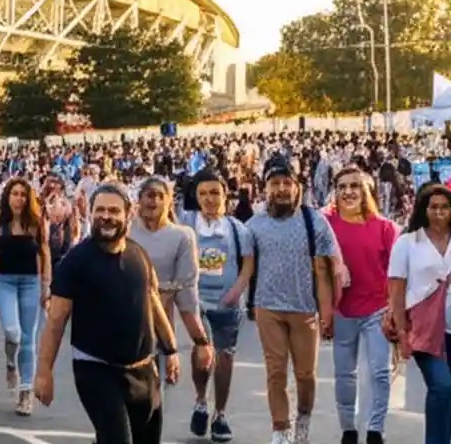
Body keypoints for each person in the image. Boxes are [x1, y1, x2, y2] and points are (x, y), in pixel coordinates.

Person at [36, 183, 180, 444]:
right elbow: (56, 321)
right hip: (96, 370)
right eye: (100, 210)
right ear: (90, 214)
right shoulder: (75, 262)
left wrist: (171, 350)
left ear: (129, 214)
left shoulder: (139, 255)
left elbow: (154, 301)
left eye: (114, 211)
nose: (106, 216)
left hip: (143, 371)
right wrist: (44, 372)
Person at [247, 157, 337, 444]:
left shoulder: (315, 222)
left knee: (306, 375)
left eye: (287, 183)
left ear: (298, 187)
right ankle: (280, 430)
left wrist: (326, 313)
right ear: (265, 188)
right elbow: (243, 266)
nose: (282, 189)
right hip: (267, 307)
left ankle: (303, 419)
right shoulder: (253, 225)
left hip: (304, 309)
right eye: (275, 184)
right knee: (275, 371)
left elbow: (324, 270)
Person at [127, 176, 214, 426]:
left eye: (159, 196)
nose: (153, 201)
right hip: (124, 321)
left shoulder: (182, 236)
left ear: (168, 202)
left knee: (154, 396)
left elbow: (186, 288)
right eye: (148, 195)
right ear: (139, 200)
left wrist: (200, 340)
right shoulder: (128, 230)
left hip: (161, 327)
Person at [178, 170, 253, 442]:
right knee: (203, 354)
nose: (209, 199)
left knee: (225, 356)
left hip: (228, 304)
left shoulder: (237, 229)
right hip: (197, 302)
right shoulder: (187, 224)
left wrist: (238, 289)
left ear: (225, 195)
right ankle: (201, 400)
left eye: (214, 193)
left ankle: (220, 414)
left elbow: (248, 263)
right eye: (203, 194)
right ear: (196, 197)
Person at [326, 165, 398, 444]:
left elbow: (396, 274)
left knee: (380, 371)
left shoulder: (386, 228)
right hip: (343, 311)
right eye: (342, 187)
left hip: (377, 310)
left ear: (367, 191)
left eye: (355, 186)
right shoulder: (327, 224)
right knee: (345, 375)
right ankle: (348, 429)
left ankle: (376, 429)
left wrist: (394, 311)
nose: (348, 192)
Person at [386, 182, 451, 444]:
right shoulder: (407, 244)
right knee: (442, 386)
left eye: (445, 207)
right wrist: (402, 333)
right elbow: (397, 291)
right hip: (423, 330)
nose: (439, 212)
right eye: (433, 207)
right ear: (424, 209)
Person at [0, 176, 51, 416]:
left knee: (28, 338)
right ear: (8, 196)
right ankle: (11, 363)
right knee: (12, 331)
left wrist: (46, 286)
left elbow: (44, 252)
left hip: (30, 282)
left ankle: (25, 392)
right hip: (5, 282)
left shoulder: (36, 222)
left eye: (23, 194)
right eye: (15, 194)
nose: (19, 199)